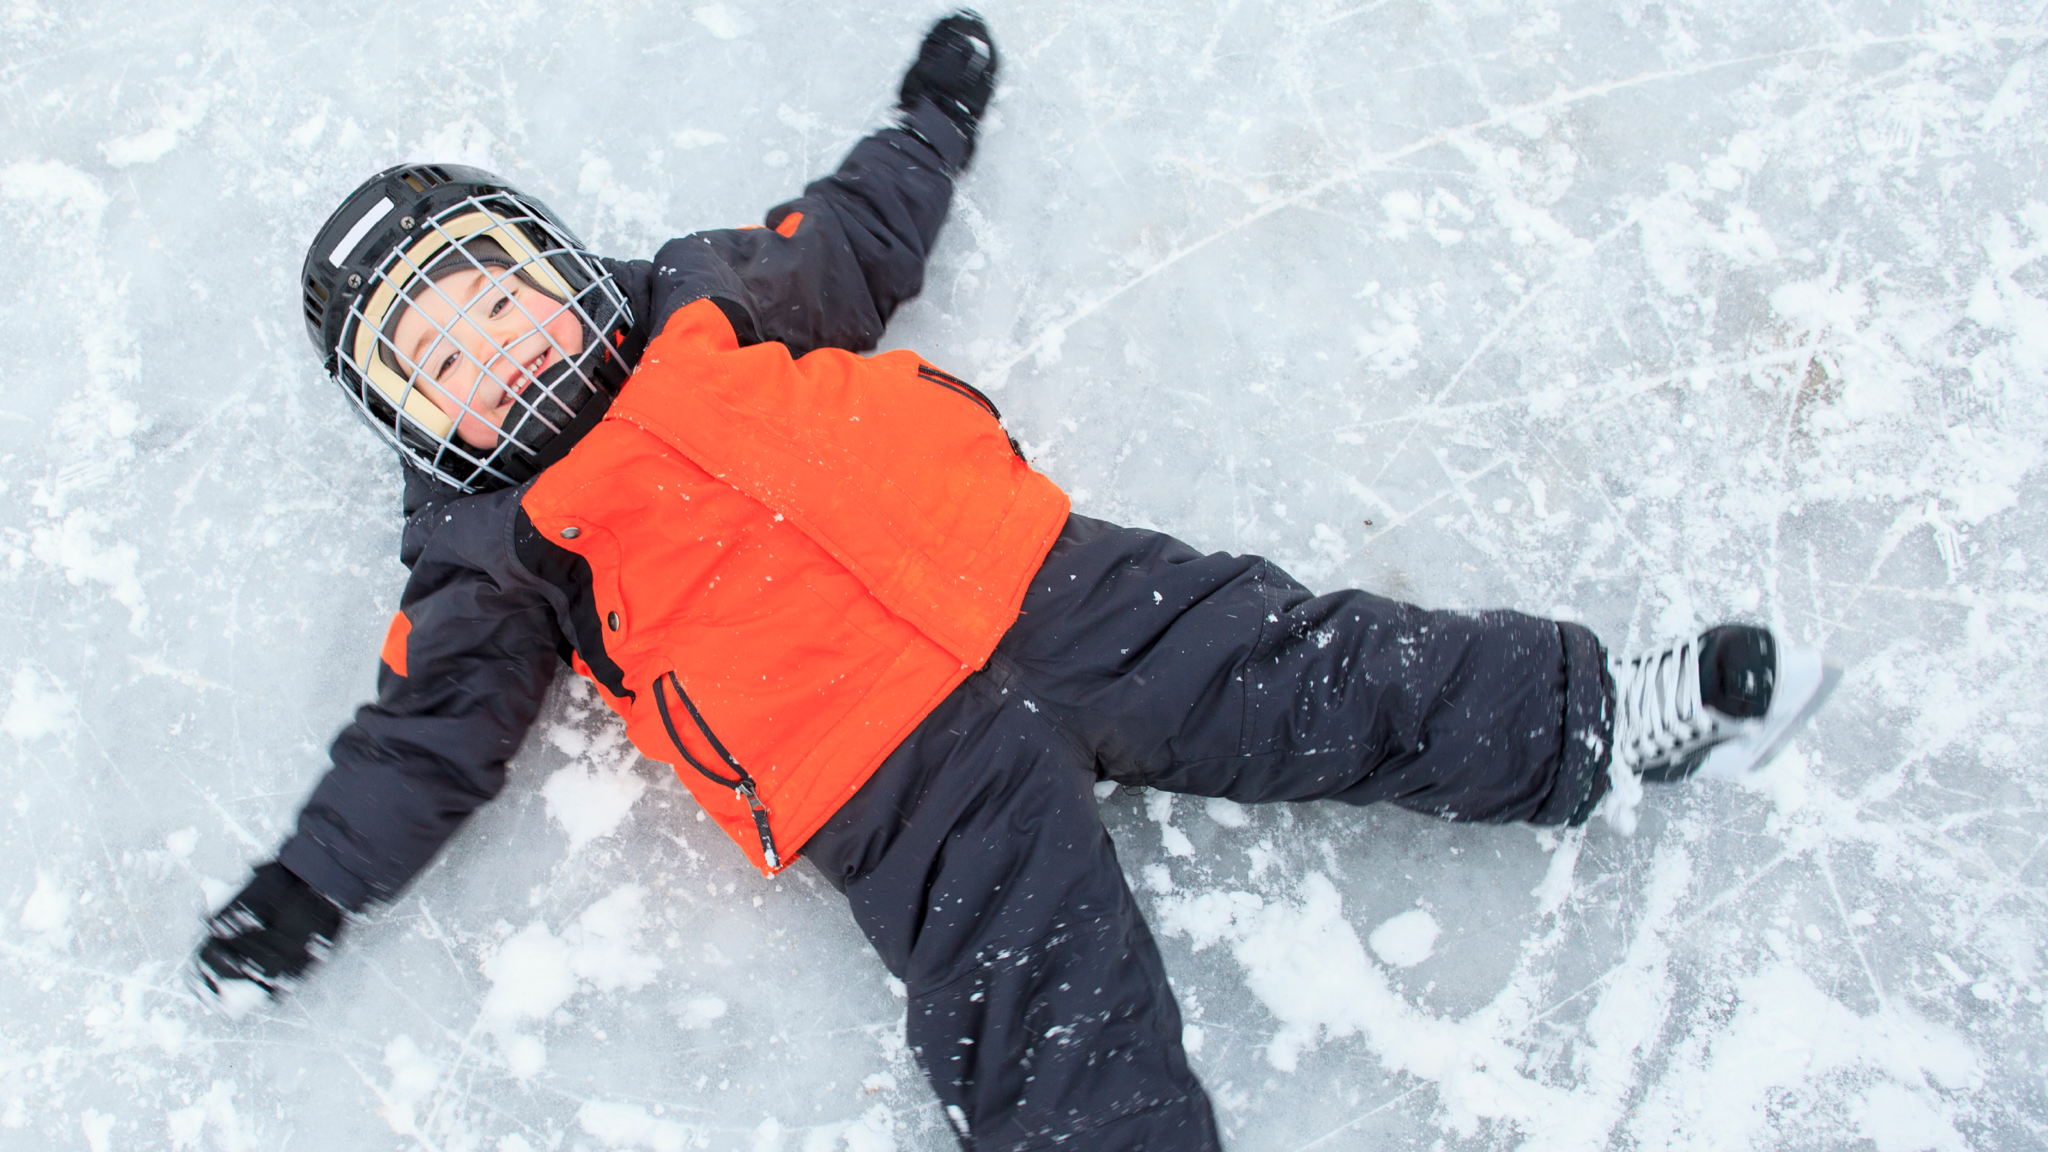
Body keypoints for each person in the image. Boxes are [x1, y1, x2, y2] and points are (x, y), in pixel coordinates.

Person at [191, 12, 1836, 1150]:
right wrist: (311, 886)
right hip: (886, 776)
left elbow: (855, 237)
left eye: (496, 300)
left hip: (1042, 581)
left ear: (545, 256)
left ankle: (1598, 718)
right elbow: (430, 733)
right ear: (411, 415)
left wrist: (931, 122)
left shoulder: (702, 294)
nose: (499, 354)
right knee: (1045, 1018)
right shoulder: (485, 543)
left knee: (1325, 665)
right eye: (445, 361)